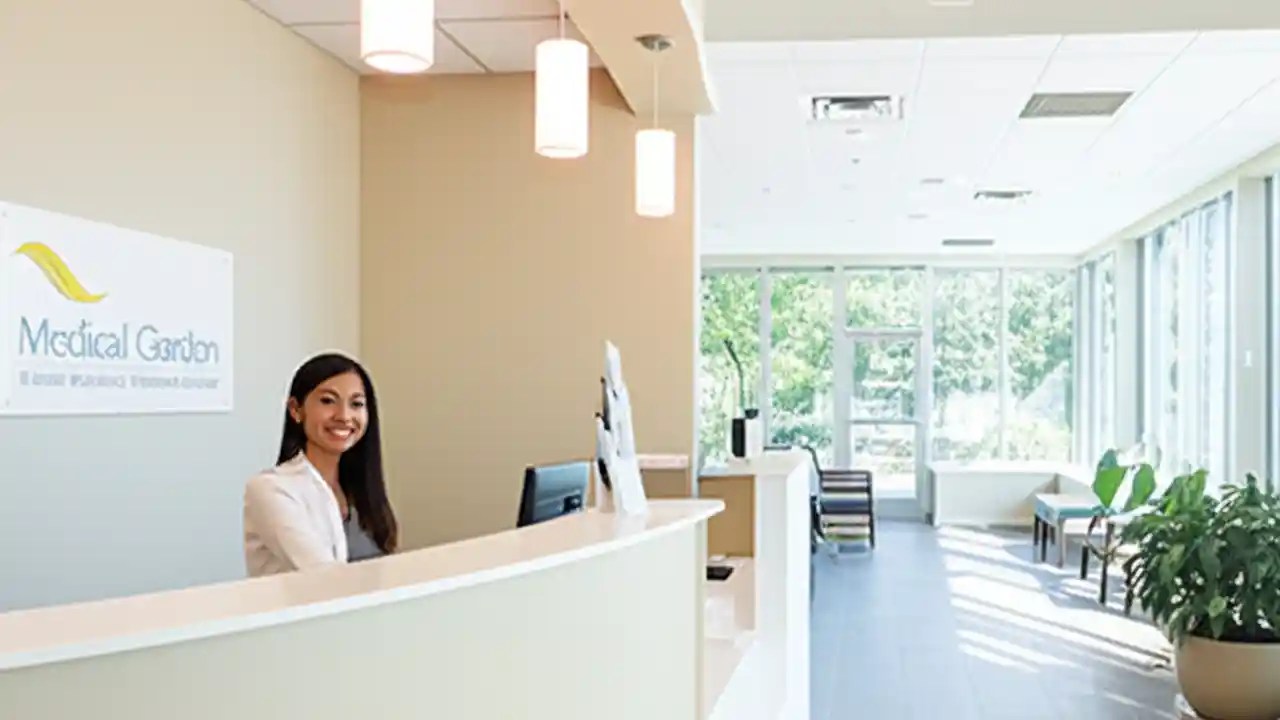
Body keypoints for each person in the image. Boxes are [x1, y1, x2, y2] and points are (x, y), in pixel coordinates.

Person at [243, 352, 398, 577]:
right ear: (296, 409)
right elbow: (324, 577)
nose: (344, 416)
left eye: (356, 404)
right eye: (328, 401)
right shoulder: (270, 489)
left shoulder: (362, 489)